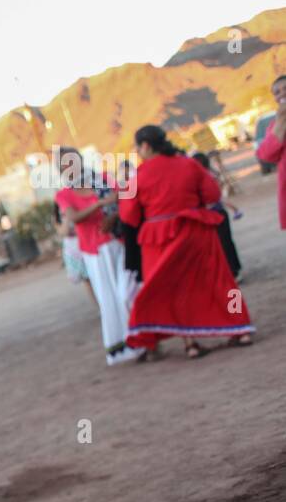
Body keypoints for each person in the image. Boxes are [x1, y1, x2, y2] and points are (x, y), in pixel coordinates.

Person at [120, 125, 255, 359]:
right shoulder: (188, 163)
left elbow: (128, 215)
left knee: (172, 289)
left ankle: (190, 343)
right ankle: (241, 328)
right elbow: (212, 194)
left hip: (158, 237)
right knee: (222, 282)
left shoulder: (138, 176)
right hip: (196, 230)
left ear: (145, 146)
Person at [55, 147, 141, 365]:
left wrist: (113, 216)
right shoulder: (64, 194)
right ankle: (125, 346)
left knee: (128, 292)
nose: (70, 166)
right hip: (94, 252)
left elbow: (124, 200)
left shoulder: (102, 179)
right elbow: (73, 218)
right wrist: (101, 204)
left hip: (118, 243)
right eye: (65, 164)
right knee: (109, 300)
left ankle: (145, 337)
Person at [192, 151, 242, 279]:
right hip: (217, 212)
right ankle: (234, 269)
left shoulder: (205, 176)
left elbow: (213, 197)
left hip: (213, 213)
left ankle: (232, 271)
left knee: (223, 244)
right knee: (226, 242)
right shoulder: (210, 174)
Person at [254, 74, 286, 230]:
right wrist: (280, 125)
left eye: (285, 89)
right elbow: (265, 155)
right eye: (277, 92)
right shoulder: (275, 125)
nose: (282, 94)